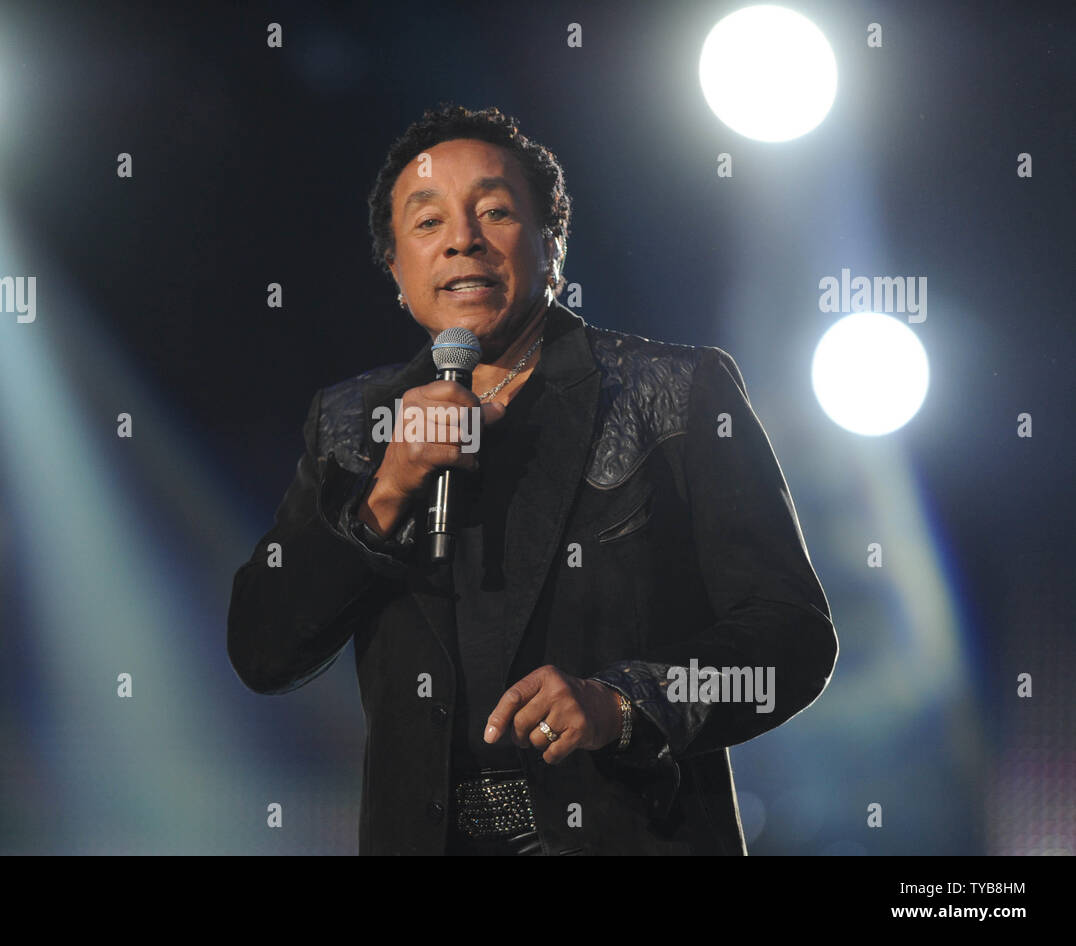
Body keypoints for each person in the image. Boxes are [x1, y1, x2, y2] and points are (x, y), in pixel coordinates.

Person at [227, 104, 837, 855]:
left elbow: (791, 640)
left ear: (553, 247)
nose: (462, 239)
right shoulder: (352, 424)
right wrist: (387, 489)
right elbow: (263, 649)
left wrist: (623, 703)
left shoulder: (674, 393)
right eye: (427, 223)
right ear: (396, 269)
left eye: (495, 211)